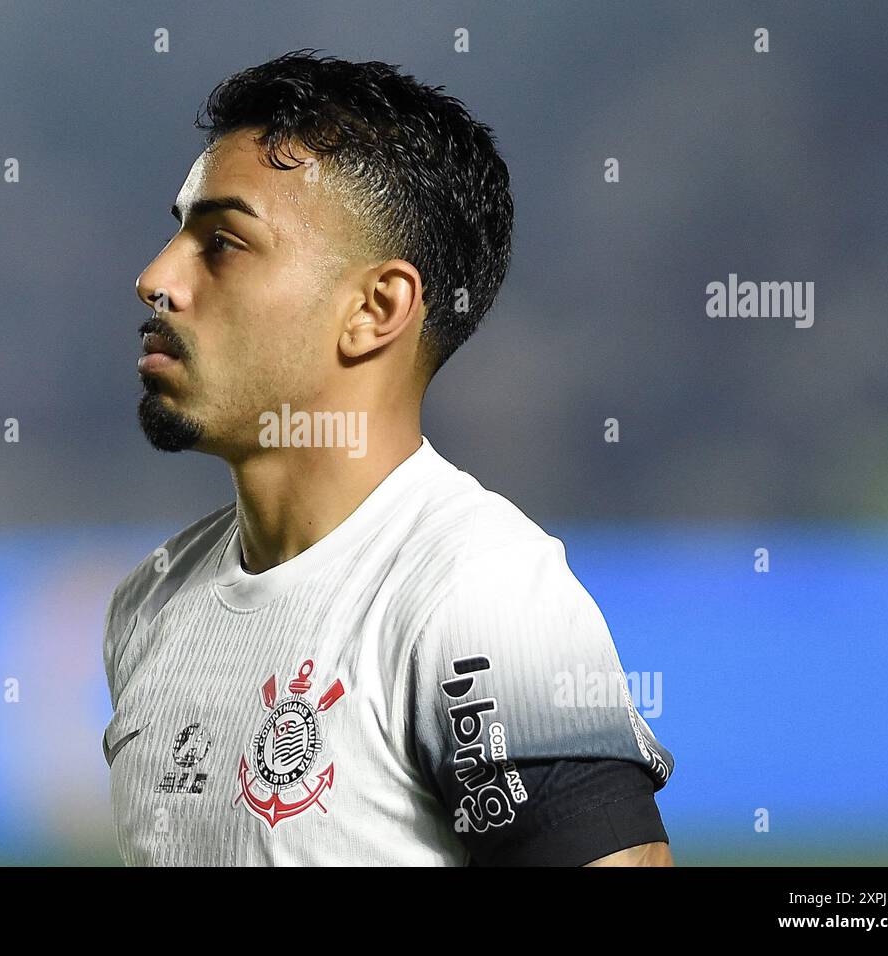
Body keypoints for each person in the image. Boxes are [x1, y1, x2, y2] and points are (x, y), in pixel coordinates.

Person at [103, 49, 674, 865]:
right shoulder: (149, 606)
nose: (155, 277)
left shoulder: (480, 596)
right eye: (176, 231)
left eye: (222, 241)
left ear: (375, 310)